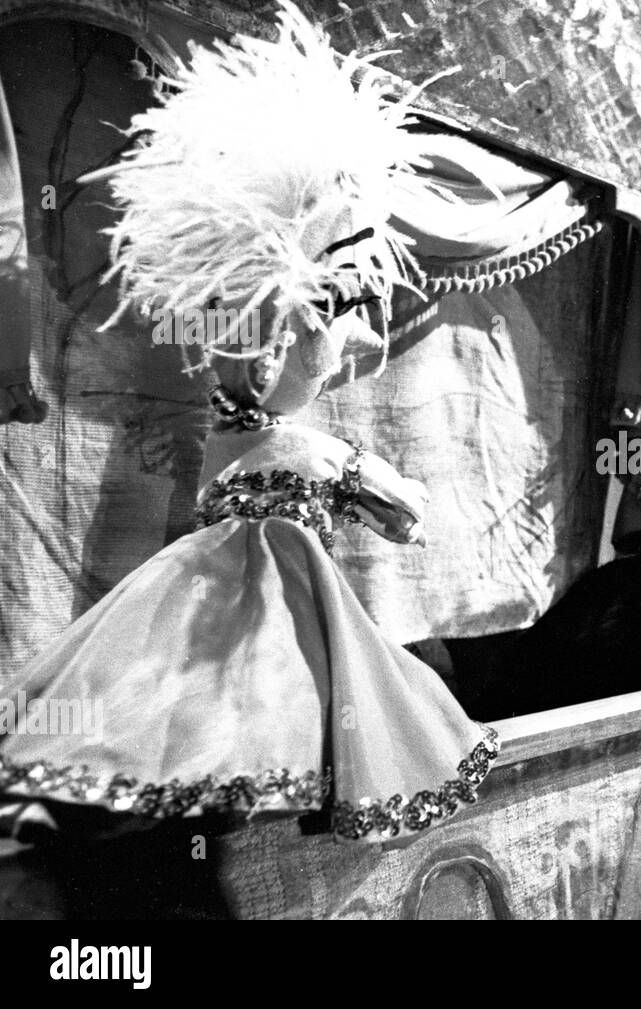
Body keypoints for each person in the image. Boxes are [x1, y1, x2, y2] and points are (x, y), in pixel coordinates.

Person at [0, 4, 499, 846]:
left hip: (201, 590)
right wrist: (383, 490)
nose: (350, 348)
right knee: (281, 690)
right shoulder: (294, 441)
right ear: (282, 342)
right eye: (335, 327)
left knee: (171, 689)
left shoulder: (223, 438)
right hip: (270, 605)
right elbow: (399, 506)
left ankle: (149, 798)